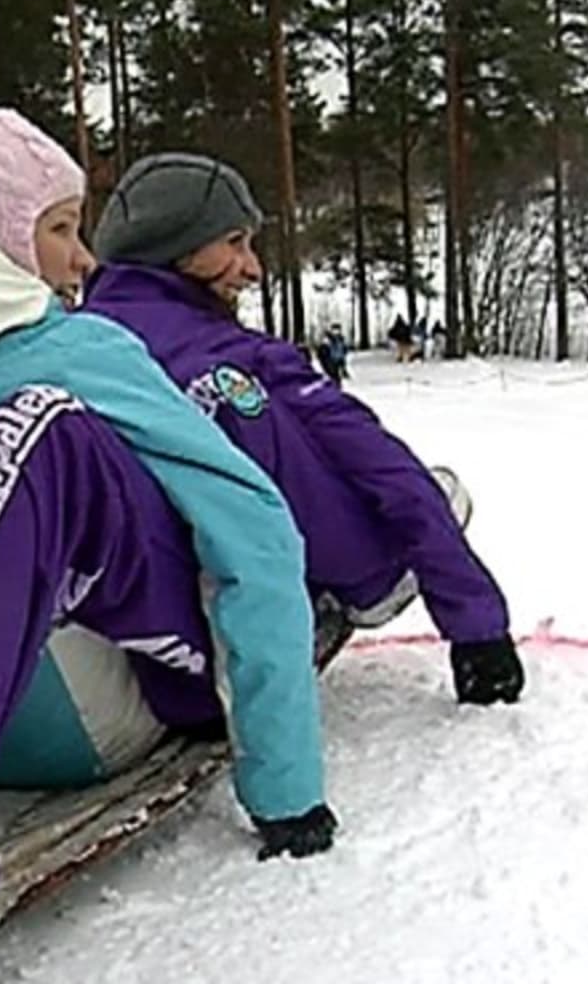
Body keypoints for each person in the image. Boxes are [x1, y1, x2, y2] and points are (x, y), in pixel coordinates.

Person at [0, 74, 336, 860]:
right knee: (178, 502)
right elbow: (256, 534)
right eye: (58, 228)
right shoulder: (79, 351)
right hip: (70, 722)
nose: (85, 257)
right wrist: (288, 786)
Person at [82, 153, 523, 706]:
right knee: (420, 489)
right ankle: (345, 584)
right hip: (207, 673)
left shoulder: (68, 345)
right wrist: (476, 624)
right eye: (235, 242)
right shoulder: (236, 357)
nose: (253, 268)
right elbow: (378, 462)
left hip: (90, 661)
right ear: (176, 249)